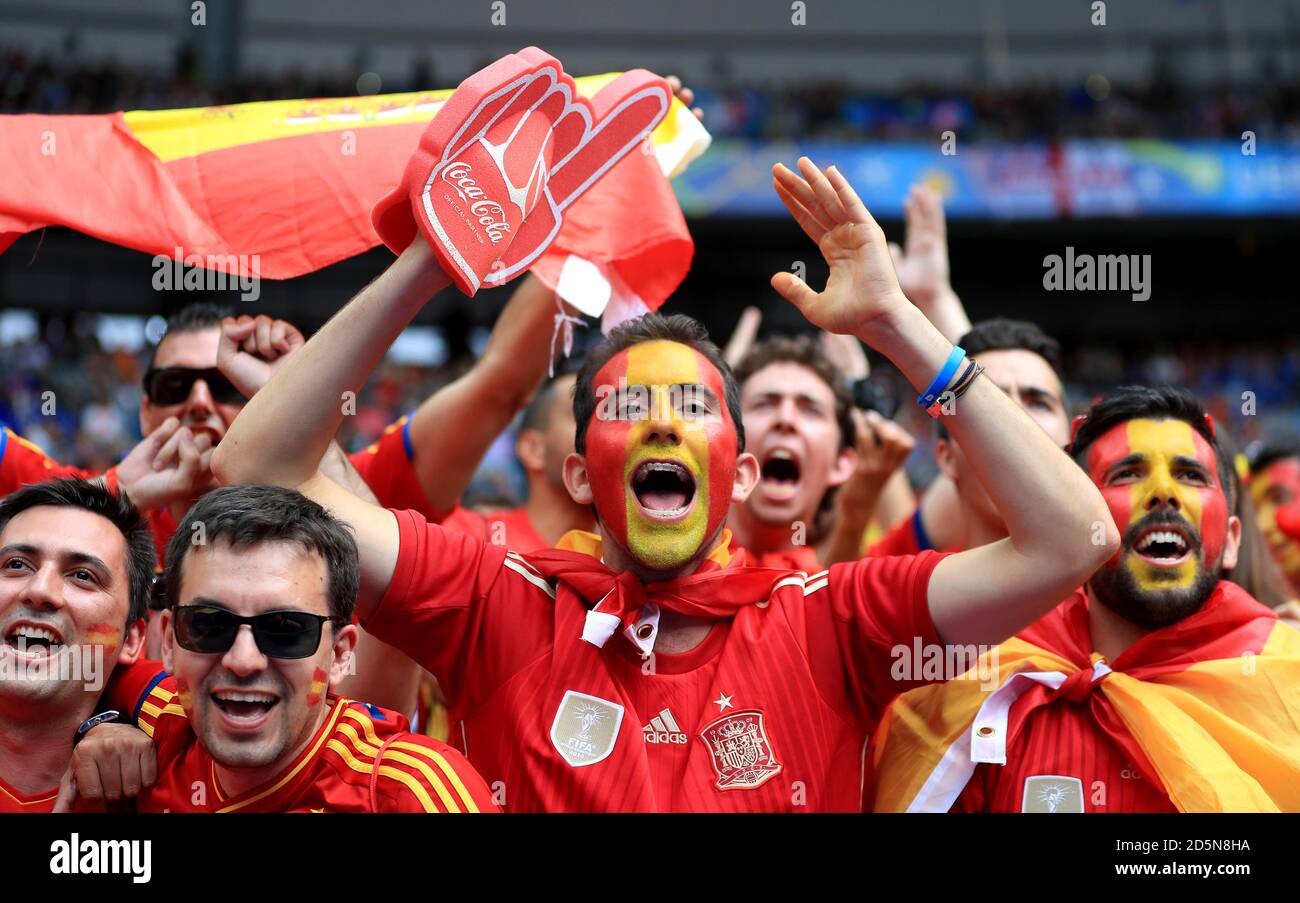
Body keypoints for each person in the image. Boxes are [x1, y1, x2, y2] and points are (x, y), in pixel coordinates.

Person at [211, 155, 1117, 811]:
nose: (659, 423)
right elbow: (254, 469)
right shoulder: (496, 598)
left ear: (743, 469)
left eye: (691, 403)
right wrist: (429, 264)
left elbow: (1074, 540)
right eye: (628, 406)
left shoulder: (832, 620)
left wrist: (898, 325)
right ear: (577, 473)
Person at [871, 387, 1300, 812]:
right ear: (1075, 527)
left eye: (1191, 474)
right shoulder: (979, 681)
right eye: (1127, 473)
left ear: (1230, 541)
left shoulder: (1286, 677)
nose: (1164, 491)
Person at [69, 484, 497, 813]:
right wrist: (100, 725)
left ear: (341, 653)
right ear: (168, 640)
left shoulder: (407, 792)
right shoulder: (163, 718)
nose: (242, 660)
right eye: (207, 625)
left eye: (285, 629)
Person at [0, 478, 154, 811]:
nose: (40, 590)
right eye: (16, 565)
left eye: (83, 575)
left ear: (131, 640)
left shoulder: (167, 777)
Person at [867, 318, 1071, 557]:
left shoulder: (1114, 587)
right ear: (947, 458)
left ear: (1071, 445)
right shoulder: (903, 587)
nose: (1018, 420)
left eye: (1038, 403)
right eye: (991, 400)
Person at [729, 333, 913, 570]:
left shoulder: (866, 574)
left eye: (810, 410)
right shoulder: (673, 554)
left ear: (841, 463)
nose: (785, 419)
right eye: (764, 404)